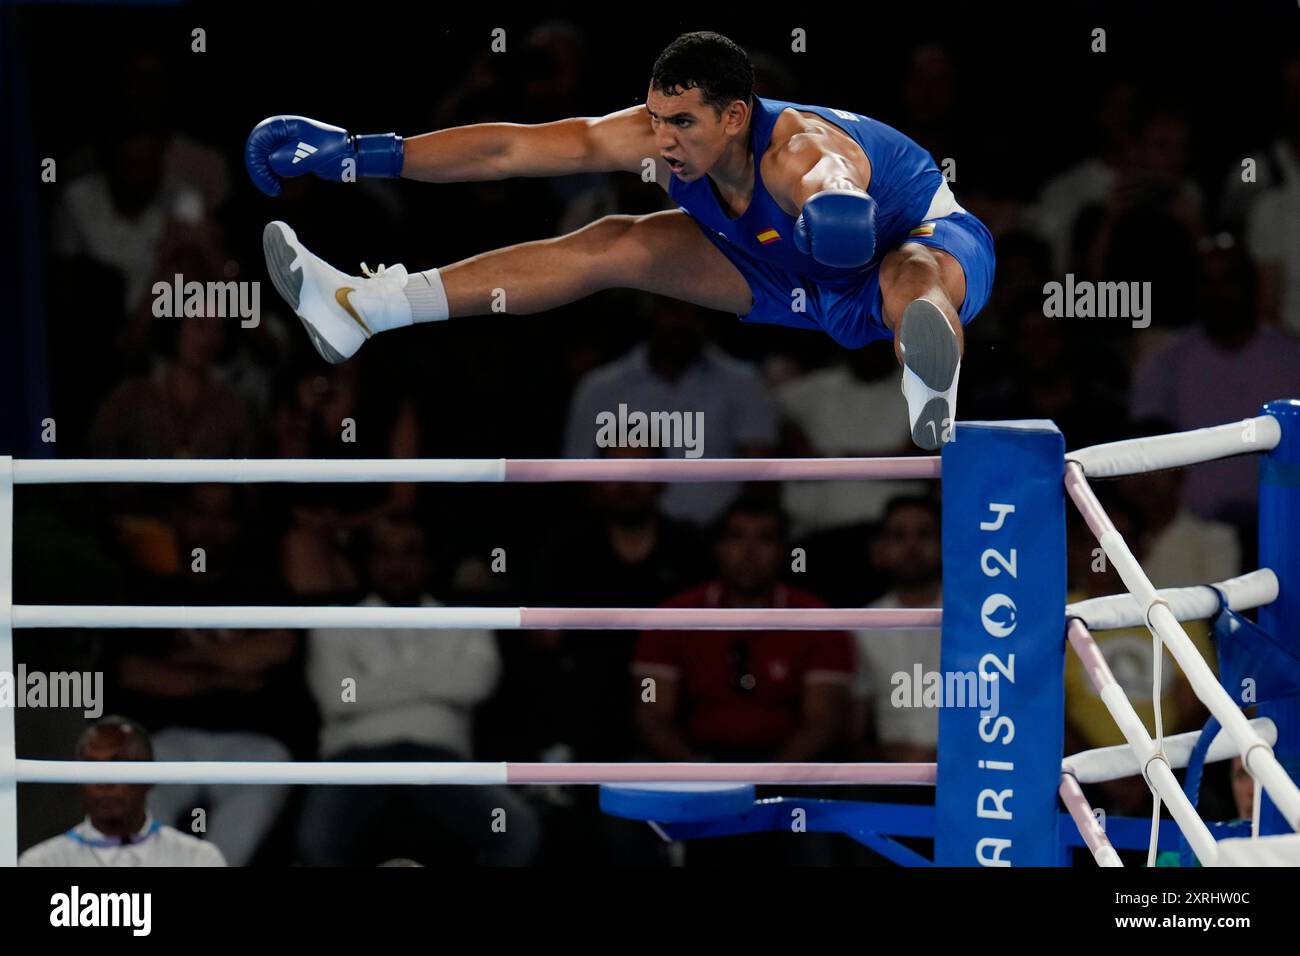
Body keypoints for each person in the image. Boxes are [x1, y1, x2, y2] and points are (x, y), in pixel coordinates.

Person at [244, 31, 996, 450]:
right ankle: (366, 308)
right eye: (656, 119)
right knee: (615, 241)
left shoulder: (798, 151)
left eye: (684, 125)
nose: (662, 144)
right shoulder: (653, 135)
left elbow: (836, 197)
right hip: (778, 270)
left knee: (911, 277)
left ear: (736, 116)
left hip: (908, 244)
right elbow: (509, 151)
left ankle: (928, 374)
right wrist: (360, 153)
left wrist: (830, 211)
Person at [19, 717, 226, 867]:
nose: (105, 782)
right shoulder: (41, 863)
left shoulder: (199, 860)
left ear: (151, 775)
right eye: (91, 768)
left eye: (120, 766)